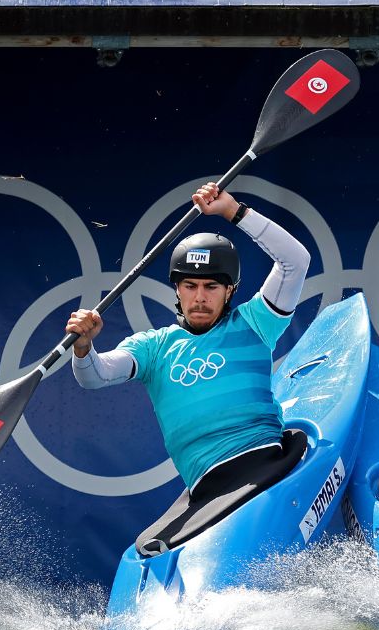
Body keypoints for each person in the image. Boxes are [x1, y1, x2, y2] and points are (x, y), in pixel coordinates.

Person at [66, 182, 310, 552]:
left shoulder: (256, 323)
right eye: (189, 285)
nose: (199, 297)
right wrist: (83, 347)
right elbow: (95, 377)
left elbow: (296, 261)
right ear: (176, 289)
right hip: (206, 490)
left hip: (264, 462)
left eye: (212, 286)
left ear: (230, 291)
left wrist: (233, 212)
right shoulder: (153, 347)